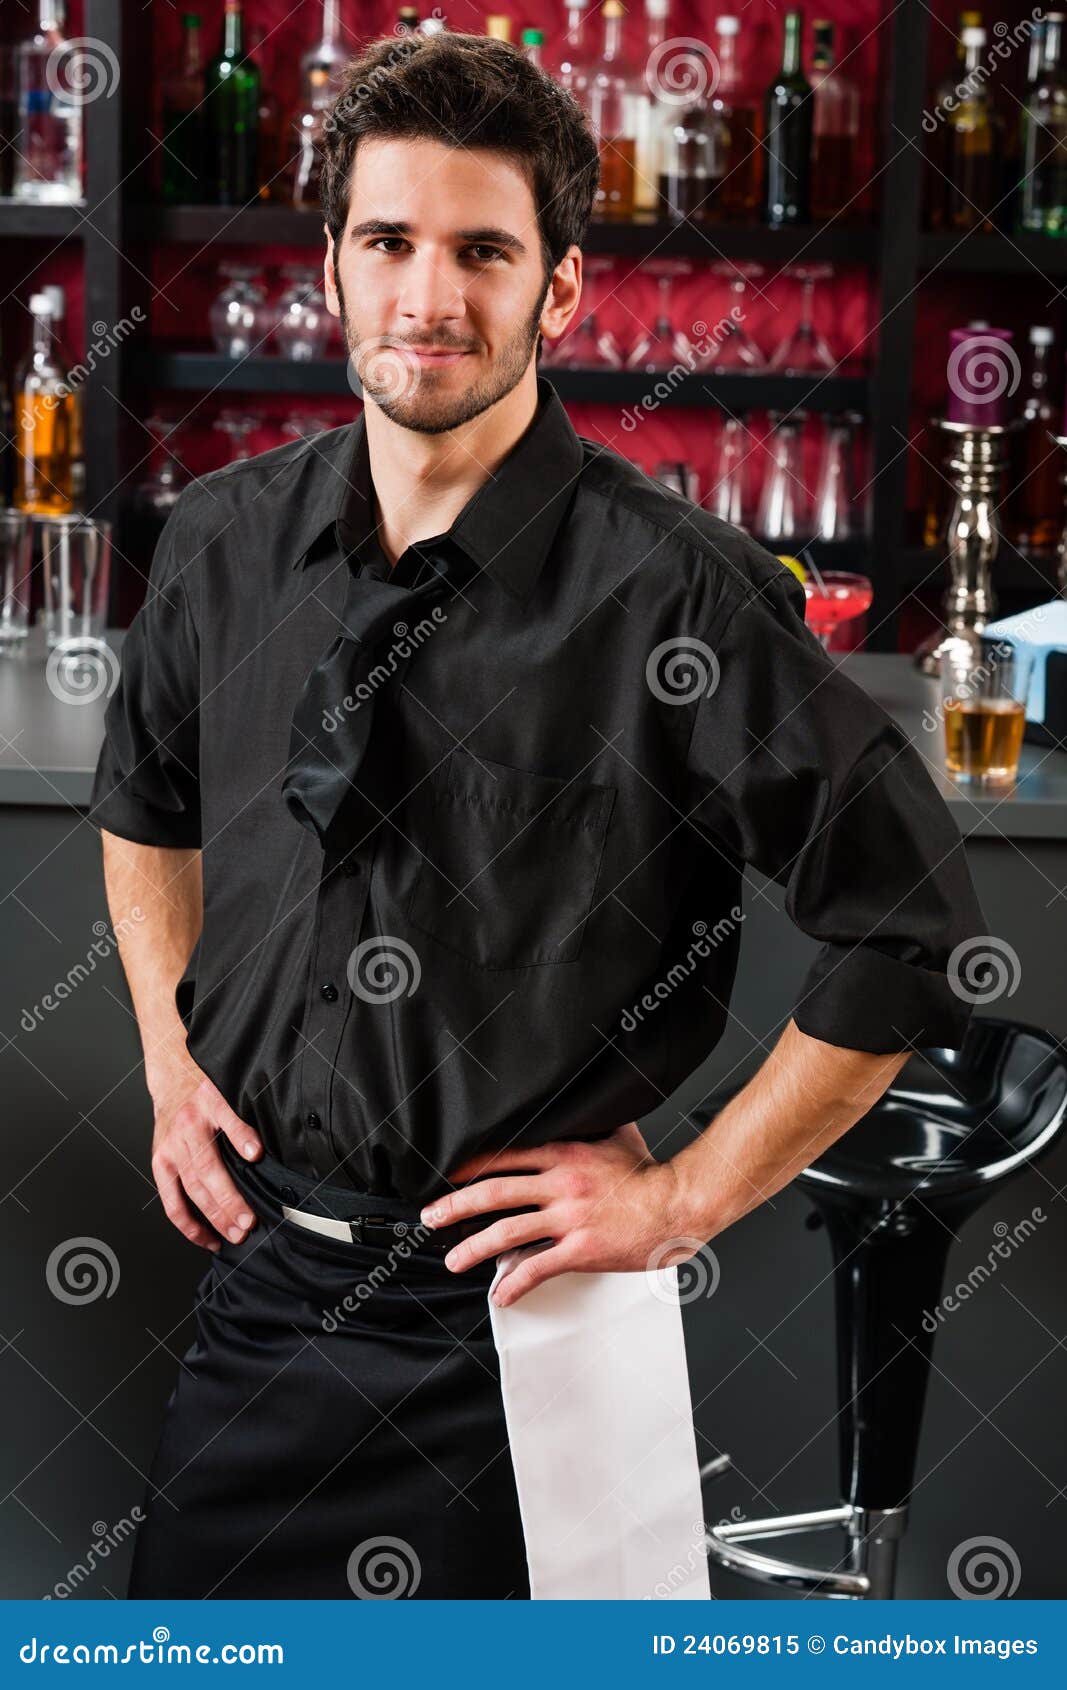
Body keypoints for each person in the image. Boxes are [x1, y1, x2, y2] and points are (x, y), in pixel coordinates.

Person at [90, 30, 988, 1599]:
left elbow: (908, 925)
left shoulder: (677, 590)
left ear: (560, 291)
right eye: (390, 242)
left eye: (483, 251)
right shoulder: (224, 542)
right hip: (259, 1298)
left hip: (518, 1327)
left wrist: (685, 1194)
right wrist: (172, 1060)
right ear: (334, 267)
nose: (429, 298)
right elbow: (144, 798)